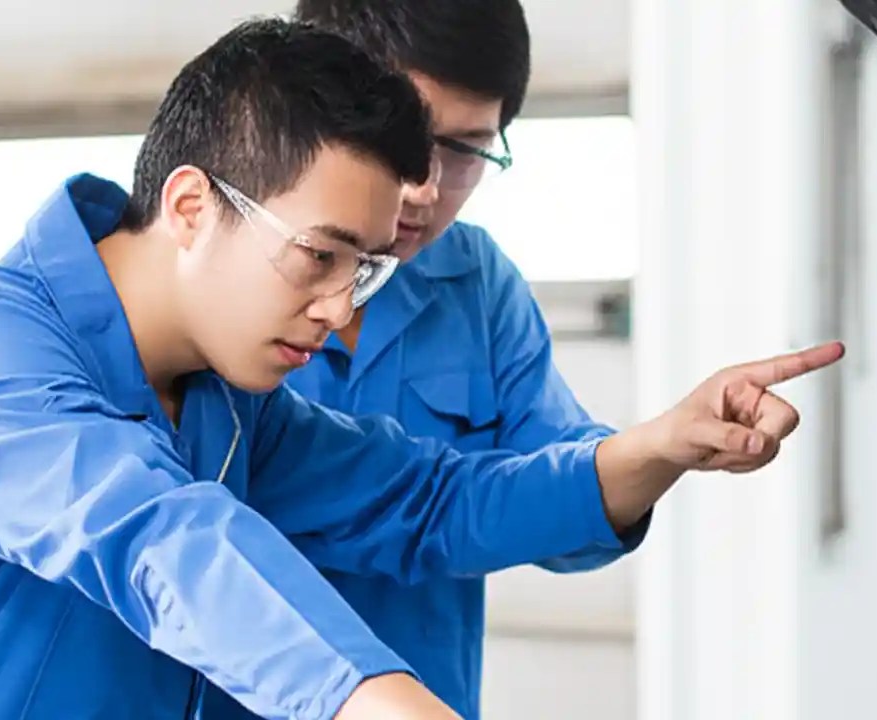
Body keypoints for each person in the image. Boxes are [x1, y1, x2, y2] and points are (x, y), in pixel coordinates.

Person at [0, 16, 842, 720]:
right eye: (319, 256)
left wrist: (656, 448)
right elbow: (157, 536)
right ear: (191, 206)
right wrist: (378, 699)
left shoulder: (231, 408)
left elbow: (423, 500)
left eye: (367, 271)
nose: (342, 309)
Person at [215, 2, 658, 717]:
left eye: (464, 150)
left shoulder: (476, 285)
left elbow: (556, 514)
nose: (423, 186)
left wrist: (657, 452)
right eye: (403, 134)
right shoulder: (216, 277)